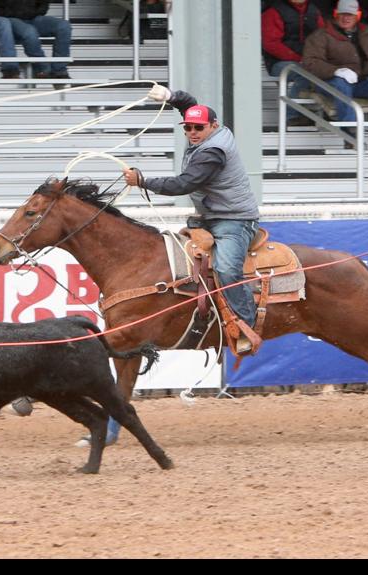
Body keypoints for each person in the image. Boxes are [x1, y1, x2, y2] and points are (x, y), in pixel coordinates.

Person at [122, 87, 265, 354]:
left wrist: (143, 181)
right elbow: (188, 104)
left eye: (198, 127)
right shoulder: (210, 135)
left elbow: (184, 184)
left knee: (226, 270)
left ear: (213, 126)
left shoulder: (214, 152)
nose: (192, 132)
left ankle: (247, 325)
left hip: (235, 220)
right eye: (187, 127)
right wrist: (169, 96)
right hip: (211, 216)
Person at [301, 0, 368, 146]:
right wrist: (336, 71)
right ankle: (350, 131)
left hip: (360, 82)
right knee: (341, 82)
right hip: (329, 82)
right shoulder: (321, 35)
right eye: (342, 14)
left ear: (357, 16)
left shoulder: (365, 33)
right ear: (335, 15)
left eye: (350, 15)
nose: (346, 18)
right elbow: (311, 62)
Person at [261, 0, 325, 121]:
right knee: (305, 74)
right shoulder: (274, 11)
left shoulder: (314, 11)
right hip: (279, 63)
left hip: (307, 62)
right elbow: (270, 44)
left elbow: (324, 38)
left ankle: (325, 113)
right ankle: (291, 115)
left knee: (328, 71)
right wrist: (299, 59)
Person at [0, 1, 70, 79]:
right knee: (29, 32)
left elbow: (43, 5)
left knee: (63, 26)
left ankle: (59, 70)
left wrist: (32, 12)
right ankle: (42, 67)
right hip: (9, 18)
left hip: (34, 17)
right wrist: (13, 13)